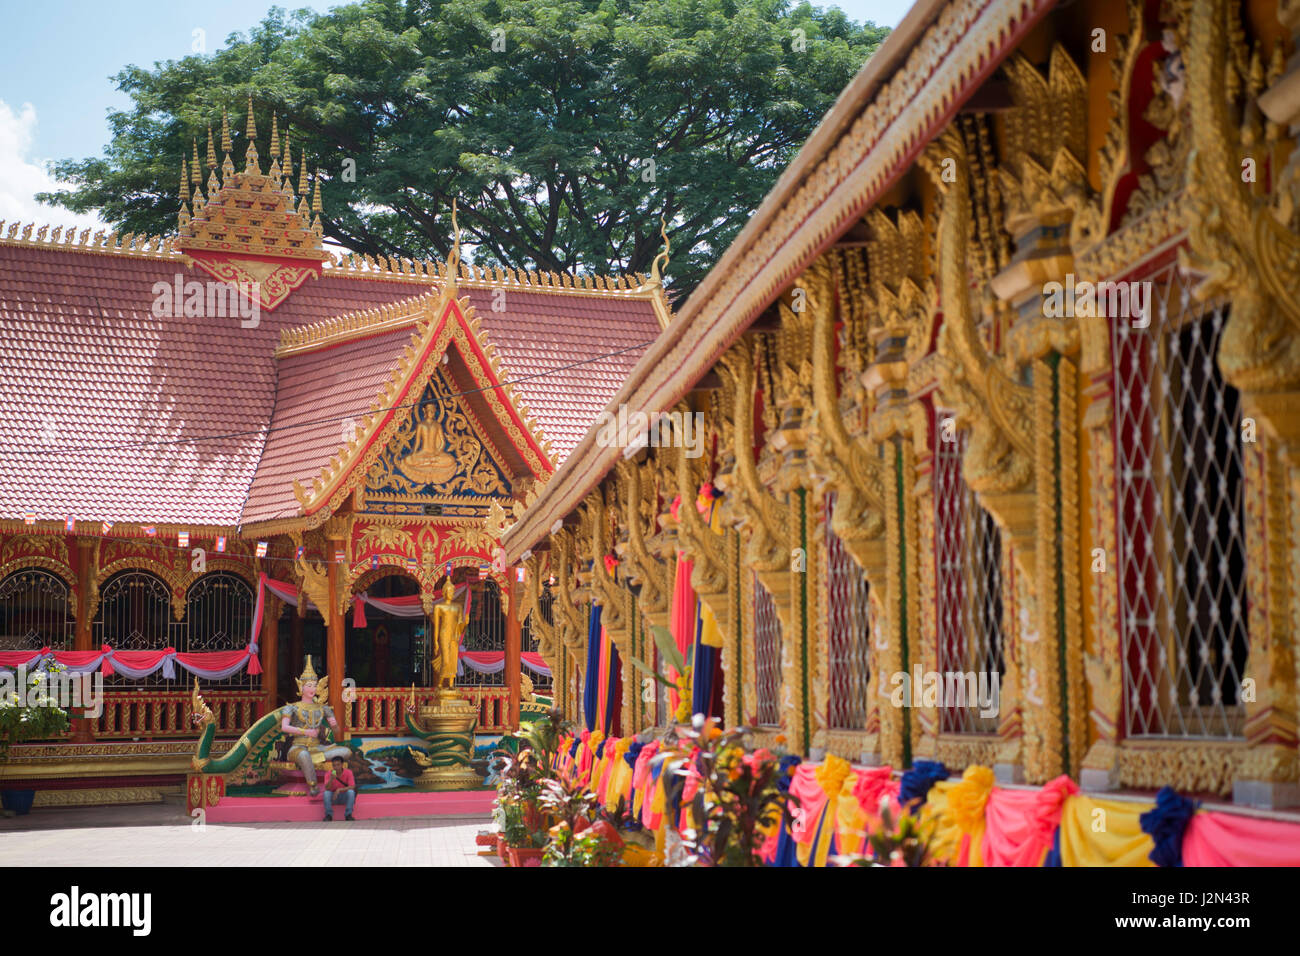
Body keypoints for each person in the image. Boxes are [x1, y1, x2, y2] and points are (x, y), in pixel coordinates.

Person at [280, 658, 350, 797]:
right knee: (304, 754)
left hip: (318, 748)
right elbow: (284, 727)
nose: (313, 689)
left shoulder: (323, 708)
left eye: (315, 686)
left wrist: (334, 726)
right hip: (298, 747)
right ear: (301, 687)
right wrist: (305, 731)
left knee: (346, 751)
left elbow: (336, 729)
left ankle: (315, 759)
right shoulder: (292, 707)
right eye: (309, 685)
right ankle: (313, 786)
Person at [322, 755, 357, 822]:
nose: (336, 767)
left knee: (351, 792)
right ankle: (328, 815)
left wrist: (339, 790)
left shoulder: (348, 772)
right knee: (326, 793)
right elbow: (326, 788)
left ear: (342, 765)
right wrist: (331, 779)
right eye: (334, 765)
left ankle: (348, 815)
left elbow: (352, 786)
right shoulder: (329, 773)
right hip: (333, 798)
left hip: (344, 796)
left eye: (338, 765)